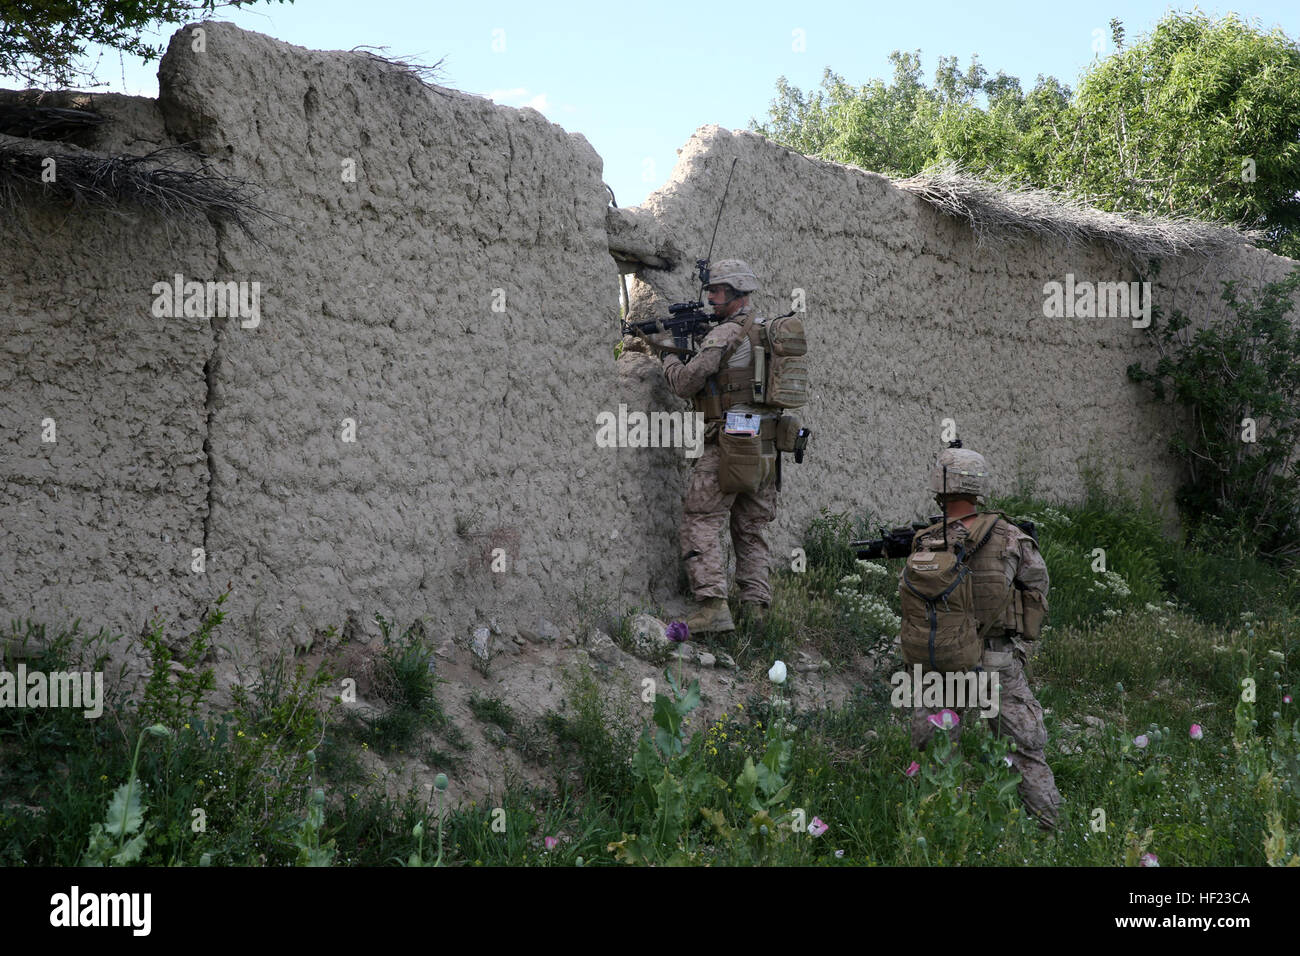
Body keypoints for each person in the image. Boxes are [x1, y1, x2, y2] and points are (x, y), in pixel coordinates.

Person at [908, 445, 1061, 830]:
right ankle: (1049, 832)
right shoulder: (1013, 538)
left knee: (938, 752)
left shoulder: (926, 542)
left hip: (941, 665)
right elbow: (1036, 596)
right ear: (978, 488)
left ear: (940, 487)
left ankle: (945, 829)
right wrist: (1020, 649)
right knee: (1026, 754)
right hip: (997, 662)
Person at [659, 259, 779, 634]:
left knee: (701, 519)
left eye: (716, 291)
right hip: (767, 444)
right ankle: (757, 612)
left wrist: (669, 357)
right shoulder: (768, 332)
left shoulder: (725, 334)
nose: (710, 297)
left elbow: (684, 384)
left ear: (735, 293)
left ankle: (712, 607)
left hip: (729, 445)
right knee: (751, 527)